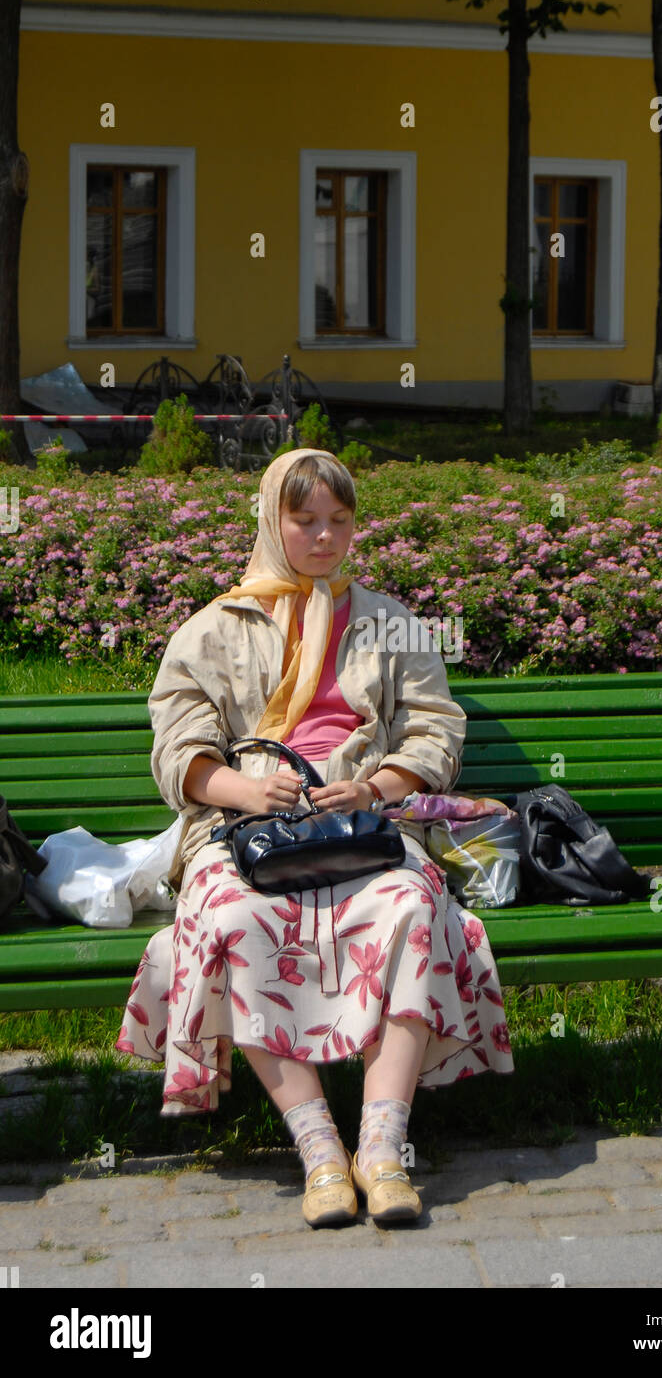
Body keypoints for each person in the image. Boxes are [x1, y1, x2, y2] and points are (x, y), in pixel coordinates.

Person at [116, 446, 513, 1228]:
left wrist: (376, 785)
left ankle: (383, 1146)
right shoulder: (214, 629)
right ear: (273, 520)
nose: (325, 538)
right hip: (247, 832)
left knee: (411, 906)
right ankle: (320, 1151)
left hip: (364, 827)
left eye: (339, 521)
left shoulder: (389, 621)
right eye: (305, 521)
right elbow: (178, 750)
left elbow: (435, 733)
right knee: (230, 921)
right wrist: (244, 790)